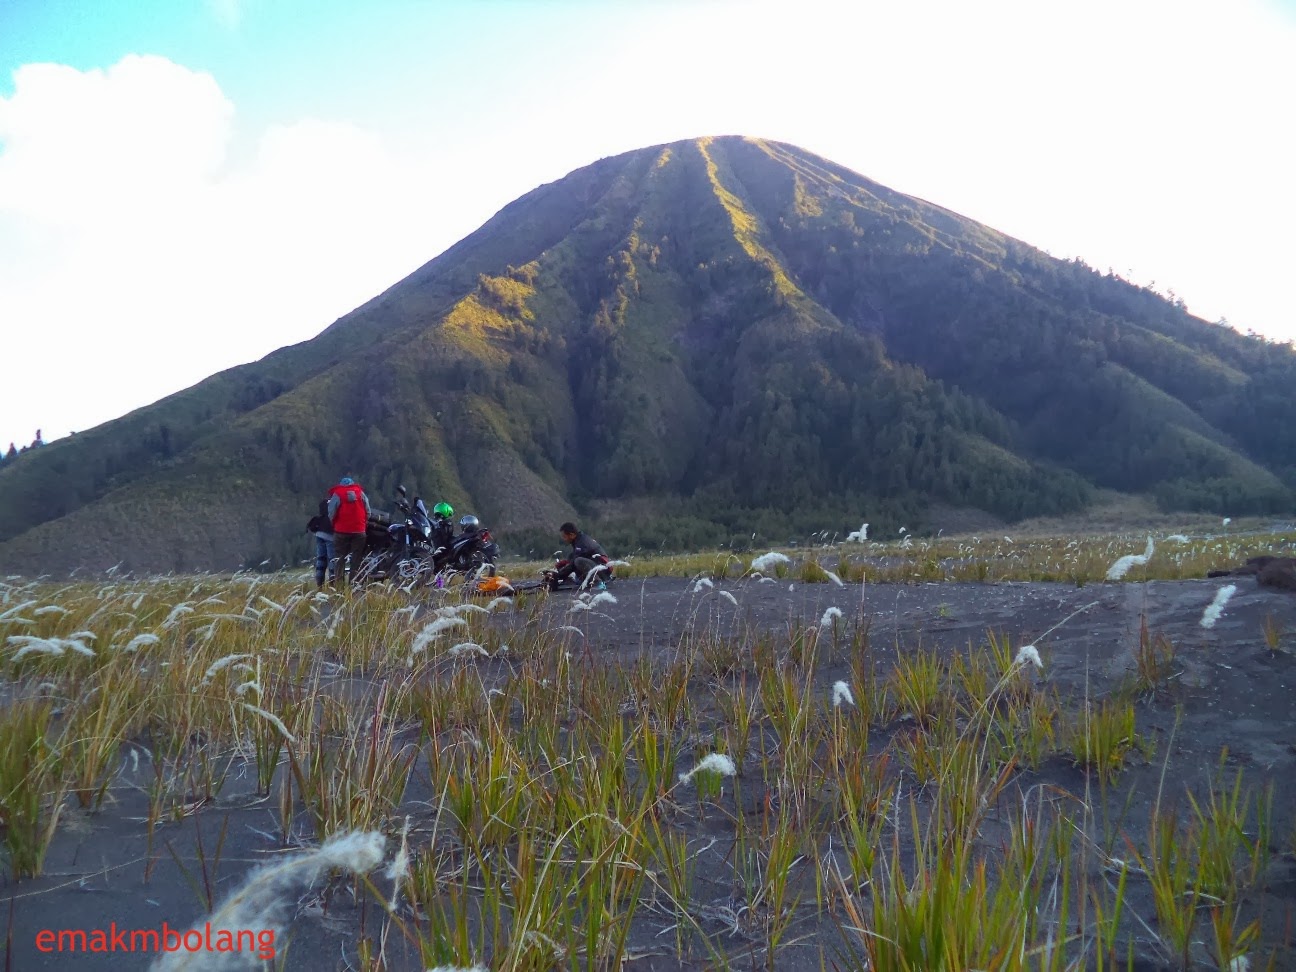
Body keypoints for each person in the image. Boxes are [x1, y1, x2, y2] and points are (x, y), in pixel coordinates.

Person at [327, 476, 371, 586]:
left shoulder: (338, 493)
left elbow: (331, 512)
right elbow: (368, 511)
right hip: (359, 532)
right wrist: (363, 523)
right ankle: (354, 585)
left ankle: (339, 587)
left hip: (341, 531)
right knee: (356, 559)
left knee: (340, 559)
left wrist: (334, 524)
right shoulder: (360, 493)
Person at [547, 522, 609, 590]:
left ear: (571, 535)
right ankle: (577, 580)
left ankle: (597, 582)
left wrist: (558, 576)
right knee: (571, 557)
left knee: (578, 561)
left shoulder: (582, 543)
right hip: (595, 566)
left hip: (603, 572)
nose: (564, 539)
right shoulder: (578, 540)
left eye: (564, 537)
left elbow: (573, 563)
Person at [306, 498, 335, 589]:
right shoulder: (335, 503)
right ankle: (332, 583)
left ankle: (319, 583)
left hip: (319, 534)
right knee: (332, 560)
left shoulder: (324, 502)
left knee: (321, 559)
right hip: (330, 536)